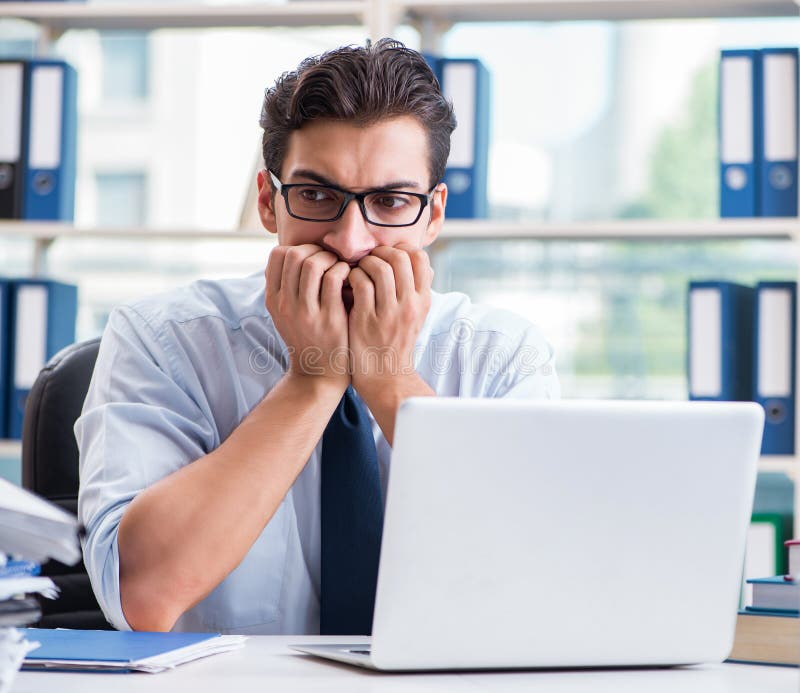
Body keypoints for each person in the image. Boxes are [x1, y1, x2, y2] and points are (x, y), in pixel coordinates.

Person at [77, 38, 559, 636]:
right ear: (268, 203)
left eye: (389, 201)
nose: (350, 240)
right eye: (316, 195)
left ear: (432, 215)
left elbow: (546, 578)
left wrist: (387, 378)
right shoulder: (160, 339)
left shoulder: (501, 355)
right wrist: (312, 381)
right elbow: (141, 597)